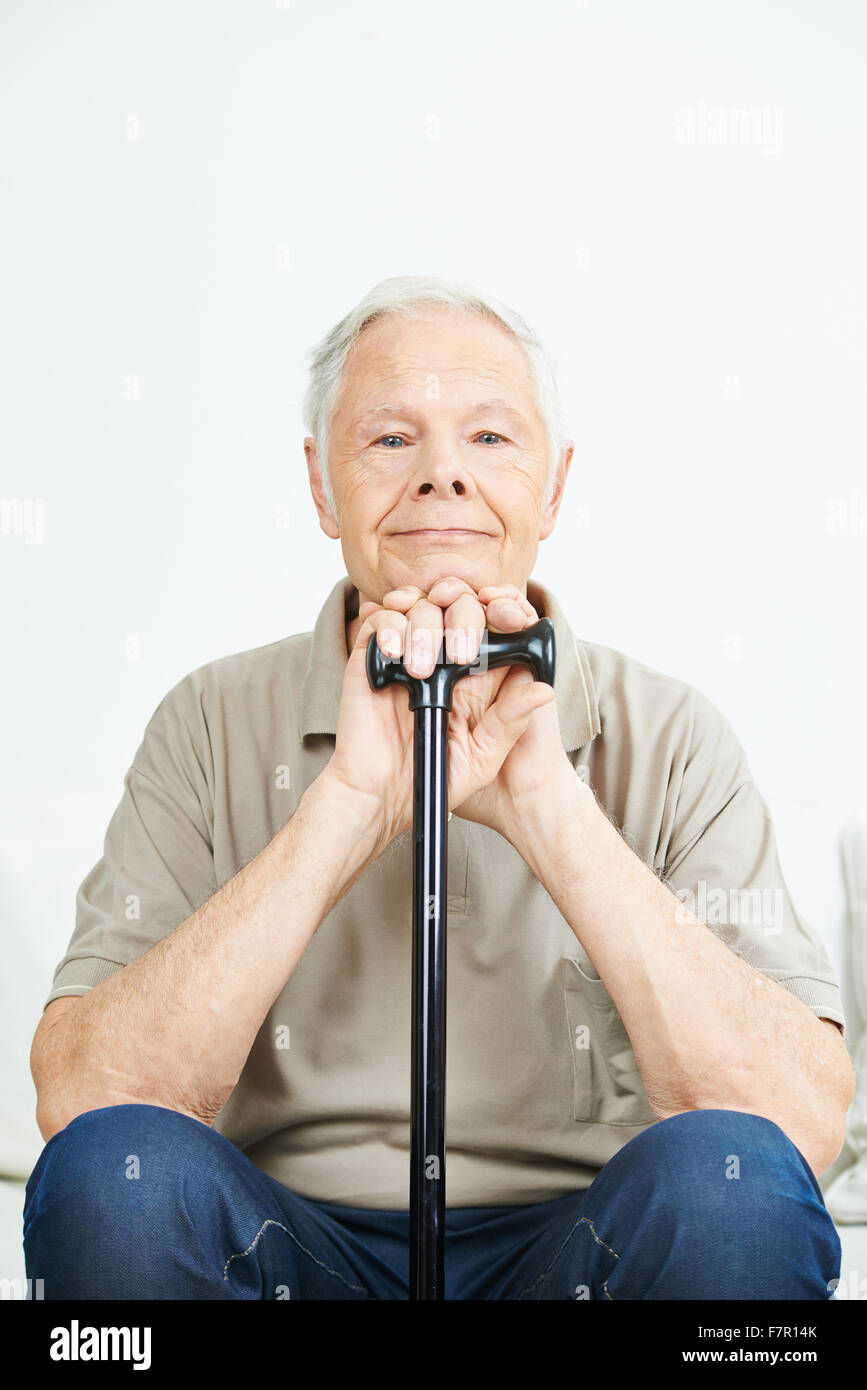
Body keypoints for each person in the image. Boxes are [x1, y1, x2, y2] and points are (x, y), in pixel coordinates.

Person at [25, 275, 855, 1300]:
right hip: (287, 1251)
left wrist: (544, 800)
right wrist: (347, 808)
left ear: (554, 487)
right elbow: (84, 1105)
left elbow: (796, 1131)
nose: (442, 476)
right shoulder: (206, 721)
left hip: (583, 1254)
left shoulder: (675, 735)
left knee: (736, 1192)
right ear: (322, 486)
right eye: (390, 440)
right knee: (116, 1185)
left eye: (491, 439)